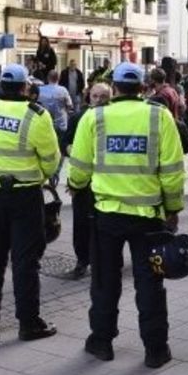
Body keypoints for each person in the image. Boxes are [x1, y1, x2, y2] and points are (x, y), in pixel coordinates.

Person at [67, 62, 185, 368]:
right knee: (150, 284)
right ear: (143, 87)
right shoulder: (160, 117)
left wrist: (74, 185)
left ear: (115, 88)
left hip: (106, 215)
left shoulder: (95, 118)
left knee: (105, 282)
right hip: (148, 217)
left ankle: (102, 342)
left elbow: (79, 167)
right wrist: (172, 210)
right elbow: (173, 172)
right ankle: (156, 350)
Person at [0, 64, 60, 339]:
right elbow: (51, 159)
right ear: (25, 87)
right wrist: (42, 175)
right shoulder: (36, 115)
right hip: (25, 195)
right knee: (25, 261)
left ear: (1, 86)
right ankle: (28, 323)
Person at [66, 83, 112, 280]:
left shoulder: (115, 118)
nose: (99, 100)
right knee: (81, 223)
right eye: (95, 96)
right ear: (89, 97)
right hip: (83, 182)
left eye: (103, 97)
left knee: (104, 225)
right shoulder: (79, 118)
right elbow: (66, 142)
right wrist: (76, 154)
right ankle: (82, 261)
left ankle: (102, 261)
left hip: (107, 182)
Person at [37, 70, 74, 184]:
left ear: (48, 78)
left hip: (45, 123)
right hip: (61, 124)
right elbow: (70, 105)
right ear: (58, 78)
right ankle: (56, 173)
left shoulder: (41, 90)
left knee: (44, 148)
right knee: (60, 149)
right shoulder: (62, 90)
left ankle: (45, 171)